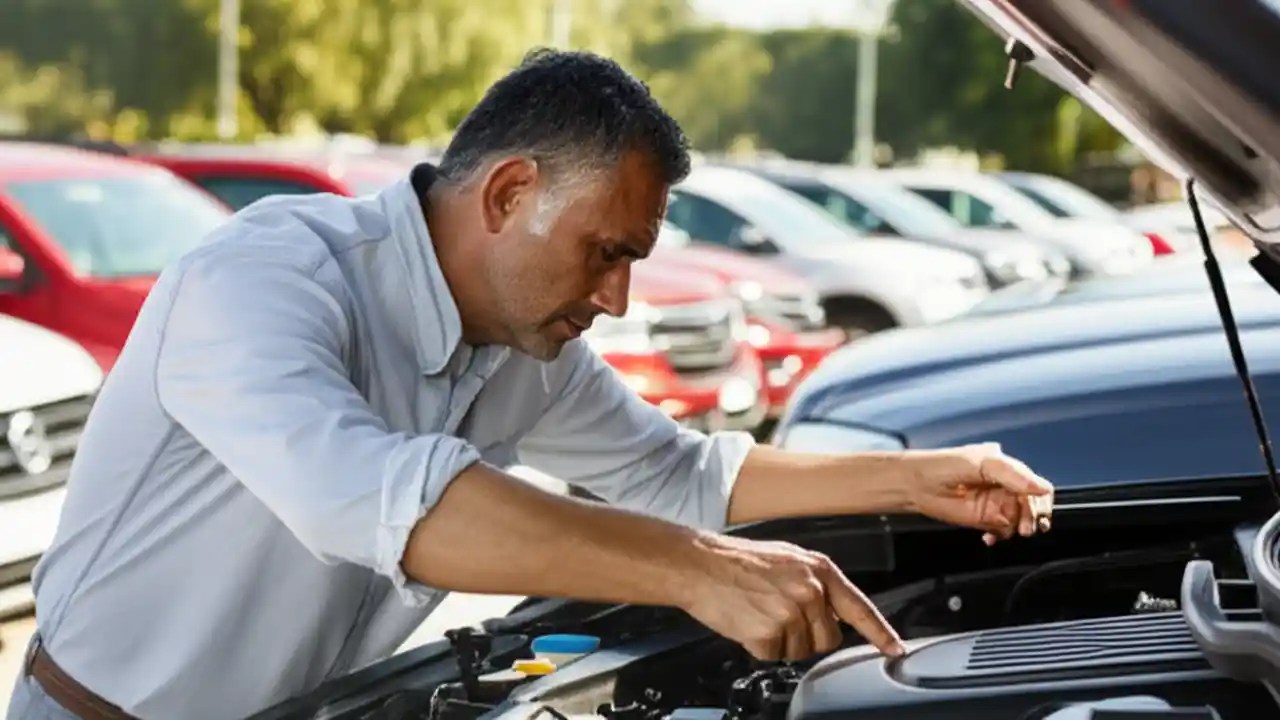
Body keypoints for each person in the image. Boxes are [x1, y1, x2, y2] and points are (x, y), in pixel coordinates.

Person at [6, 49, 1053, 720]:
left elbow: (682, 473)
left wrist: (916, 479)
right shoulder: (260, 281)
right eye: (605, 252)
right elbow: (382, 504)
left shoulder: (523, 350)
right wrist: (700, 573)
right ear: (509, 192)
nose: (618, 298)